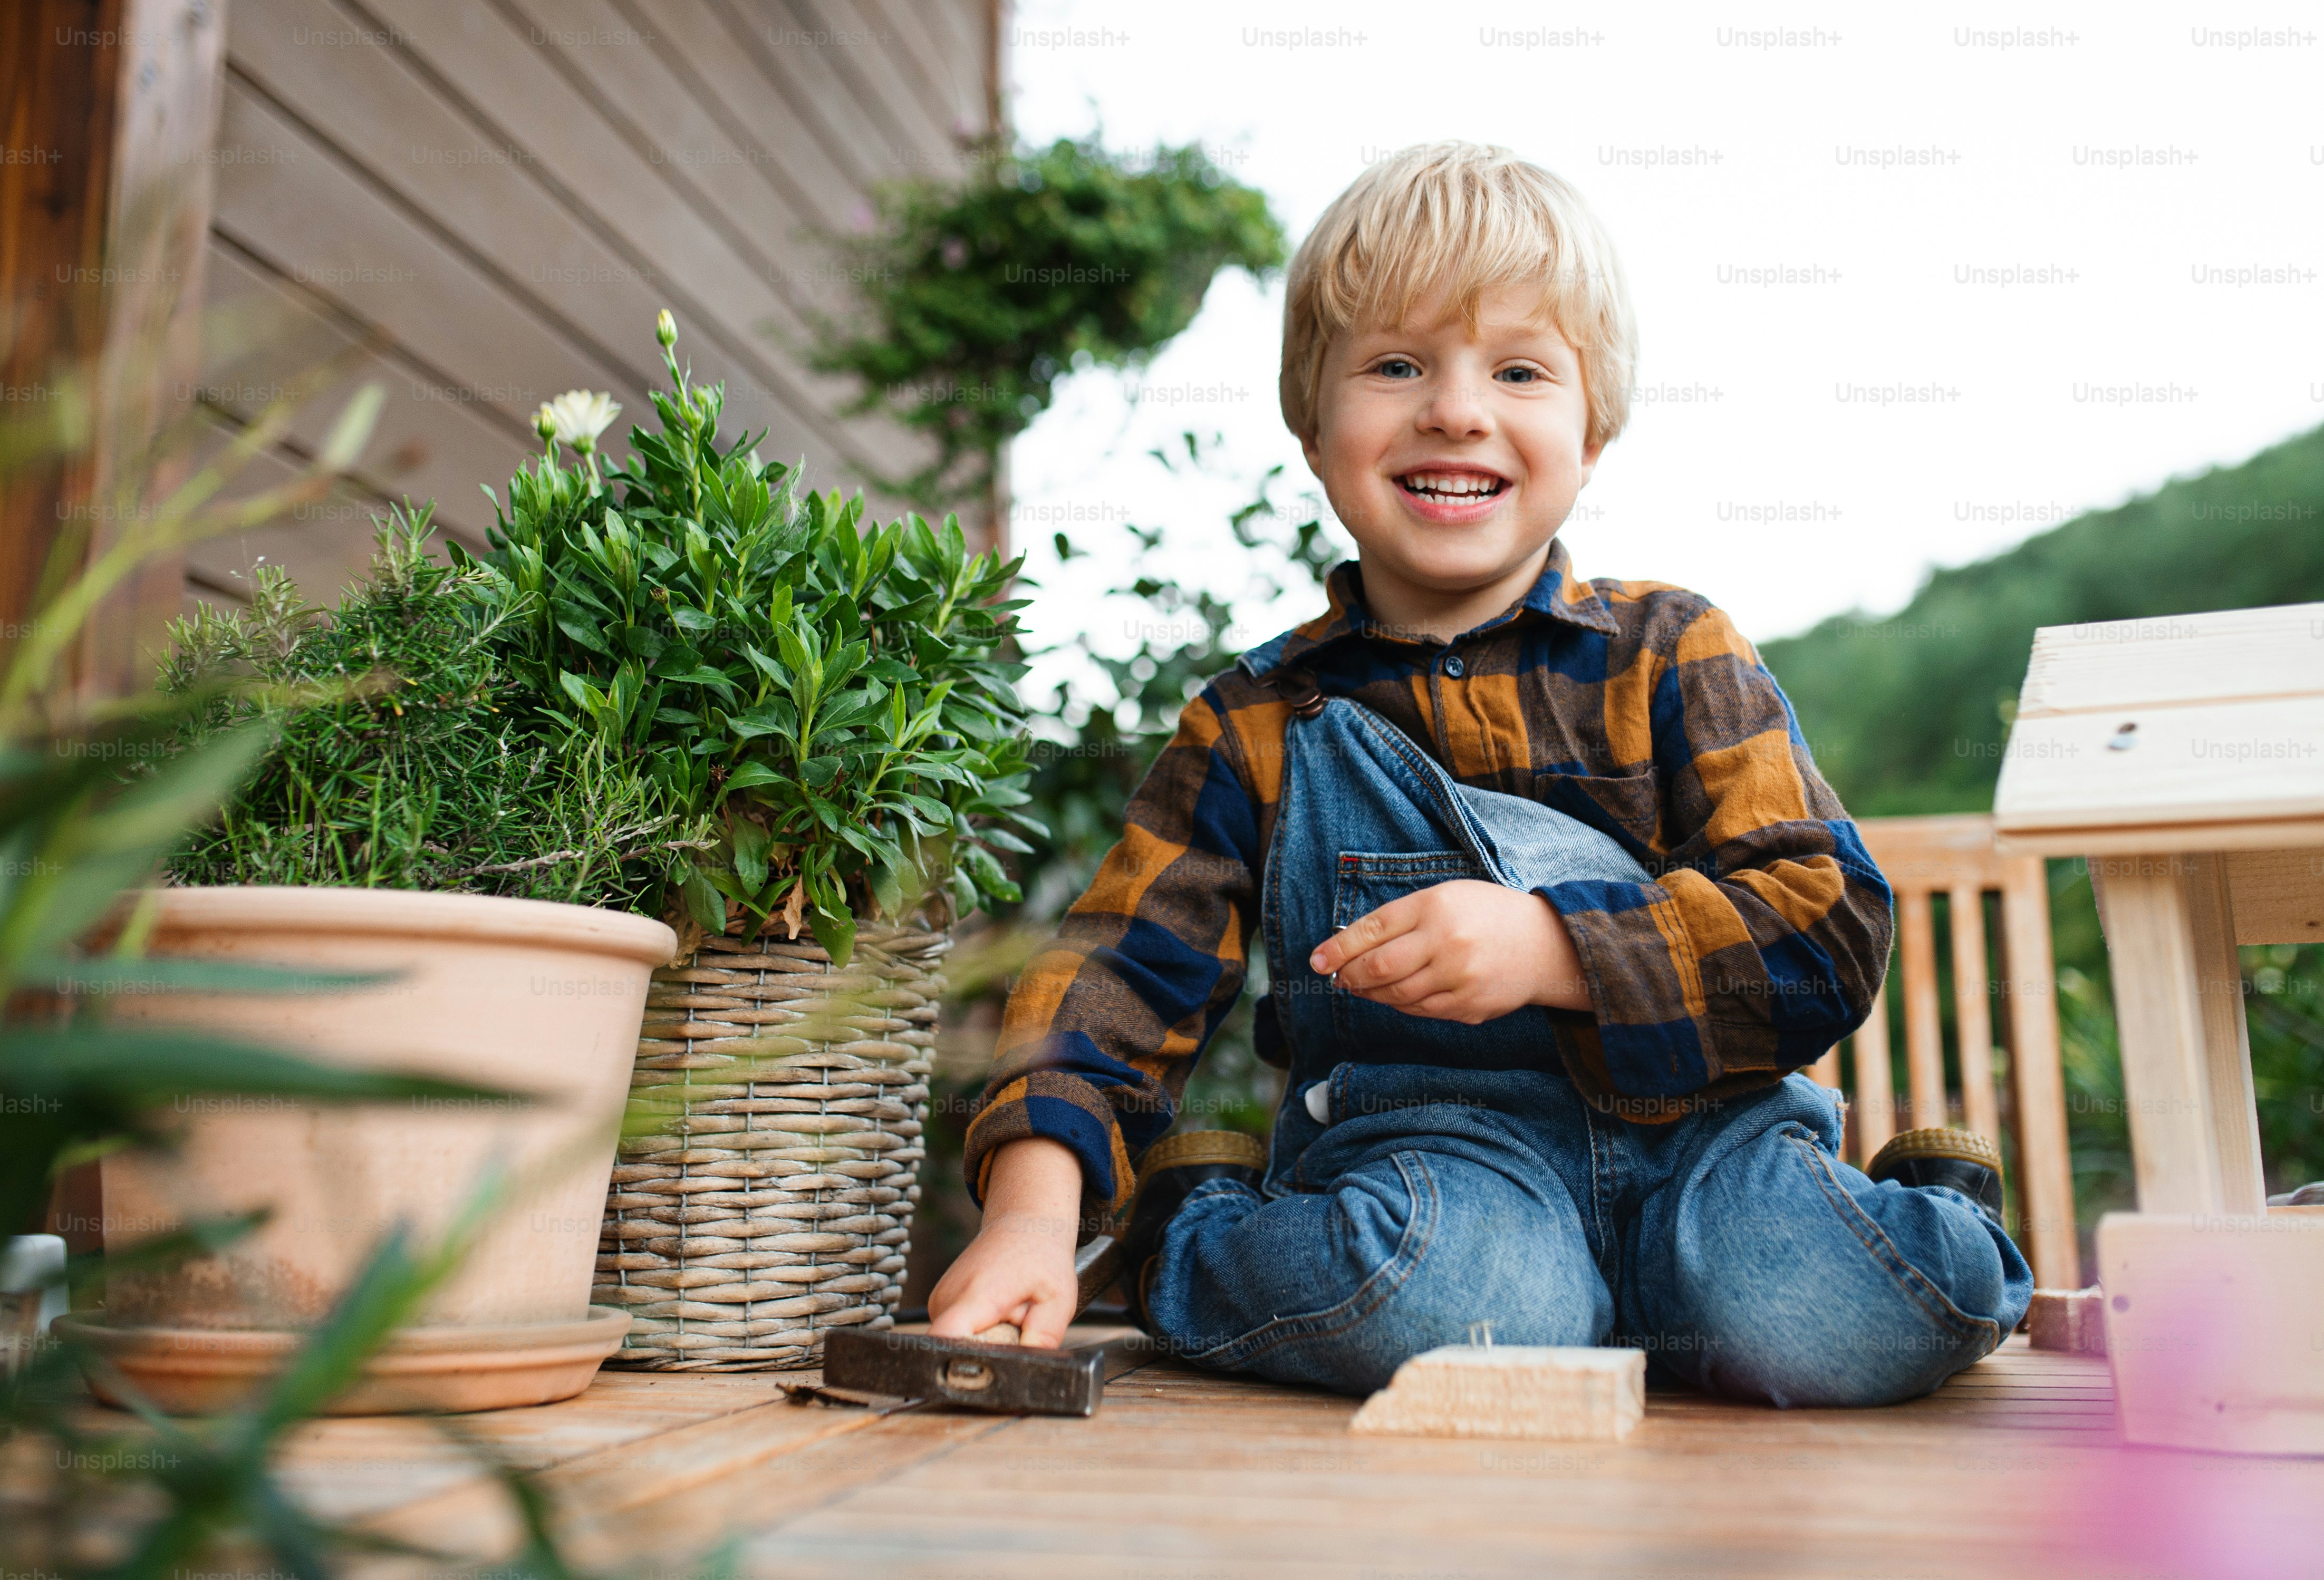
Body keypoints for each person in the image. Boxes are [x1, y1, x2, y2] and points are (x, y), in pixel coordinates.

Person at [929, 142, 2030, 1405]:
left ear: (1590, 427)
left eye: (1517, 369)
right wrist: (1028, 1209)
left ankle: (1920, 1208)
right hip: (1432, 1159)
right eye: (1396, 366)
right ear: (1312, 416)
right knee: (1461, 1311)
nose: (1454, 409)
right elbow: (1117, 969)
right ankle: (1193, 1217)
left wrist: (1558, 951)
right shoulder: (1256, 721)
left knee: (1847, 1316)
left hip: (1711, 1142)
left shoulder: (1674, 650)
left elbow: (1826, 923)